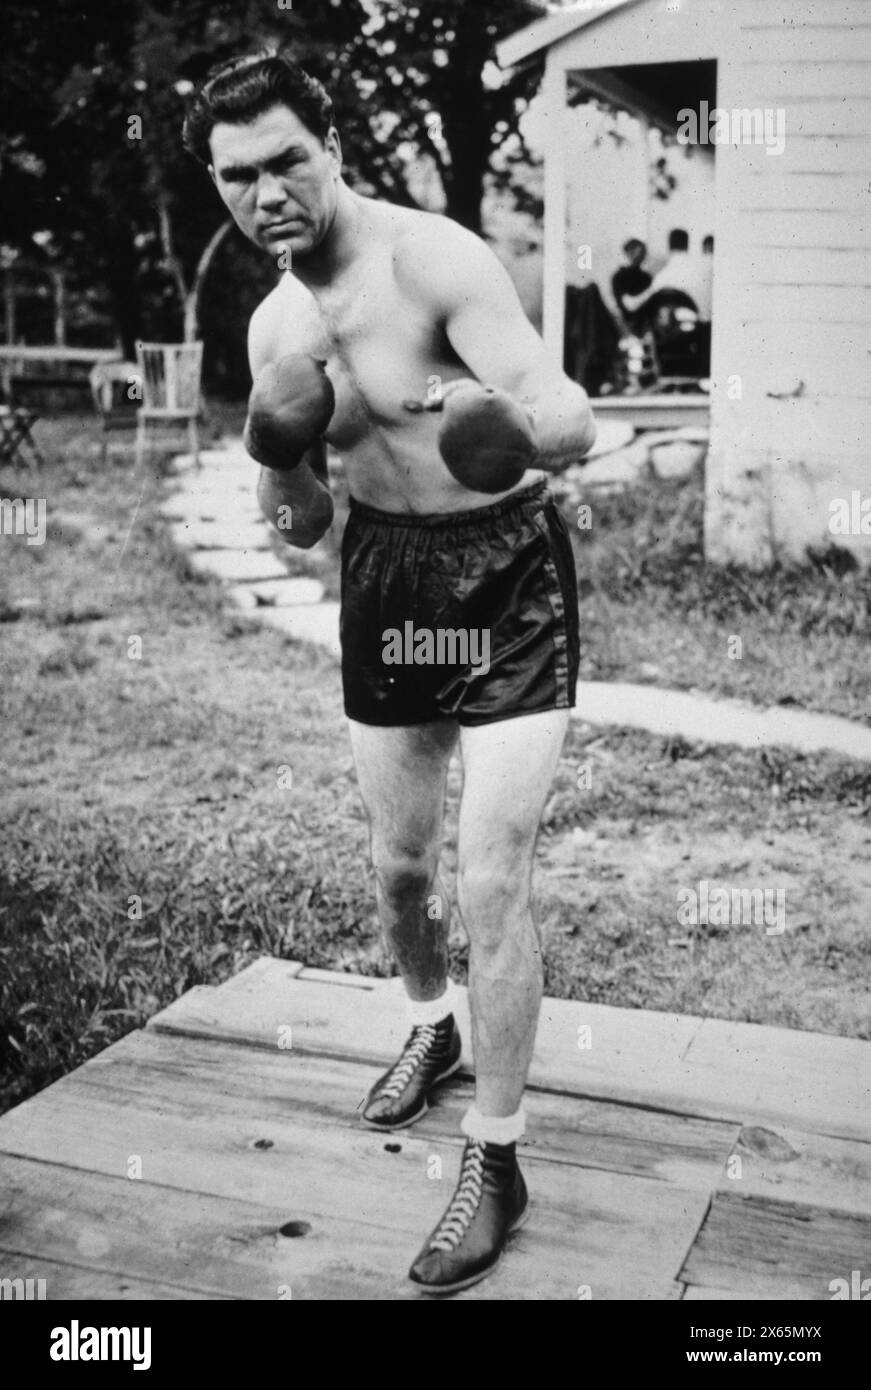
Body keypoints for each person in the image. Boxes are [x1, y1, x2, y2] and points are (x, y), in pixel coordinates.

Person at [183, 50, 595, 1296]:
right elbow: (298, 523)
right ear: (217, 185)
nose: (266, 194)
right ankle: (431, 1028)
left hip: (506, 572)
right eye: (237, 177)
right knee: (403, 866)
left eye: (286, 162)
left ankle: (499, 1156)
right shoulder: (275, 324)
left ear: (333, 148)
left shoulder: (435, 261)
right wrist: (284, 459)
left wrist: (513, 428)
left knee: (489, 869)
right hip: (388, 580)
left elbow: (560, 407)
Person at [622, 227, 711, 324]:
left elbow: (633, 305)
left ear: (669, 246)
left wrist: (627, 300)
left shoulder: (664, 275)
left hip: (687, 329)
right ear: (687, 245)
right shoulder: (704, 268)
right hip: (709, 325)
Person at [611, 237, 651, 333]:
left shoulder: (646, 277)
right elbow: (628, 305)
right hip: (629, 325)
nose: (642, 256)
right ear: (628, 253)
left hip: (638, 324)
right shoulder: (619, 277)